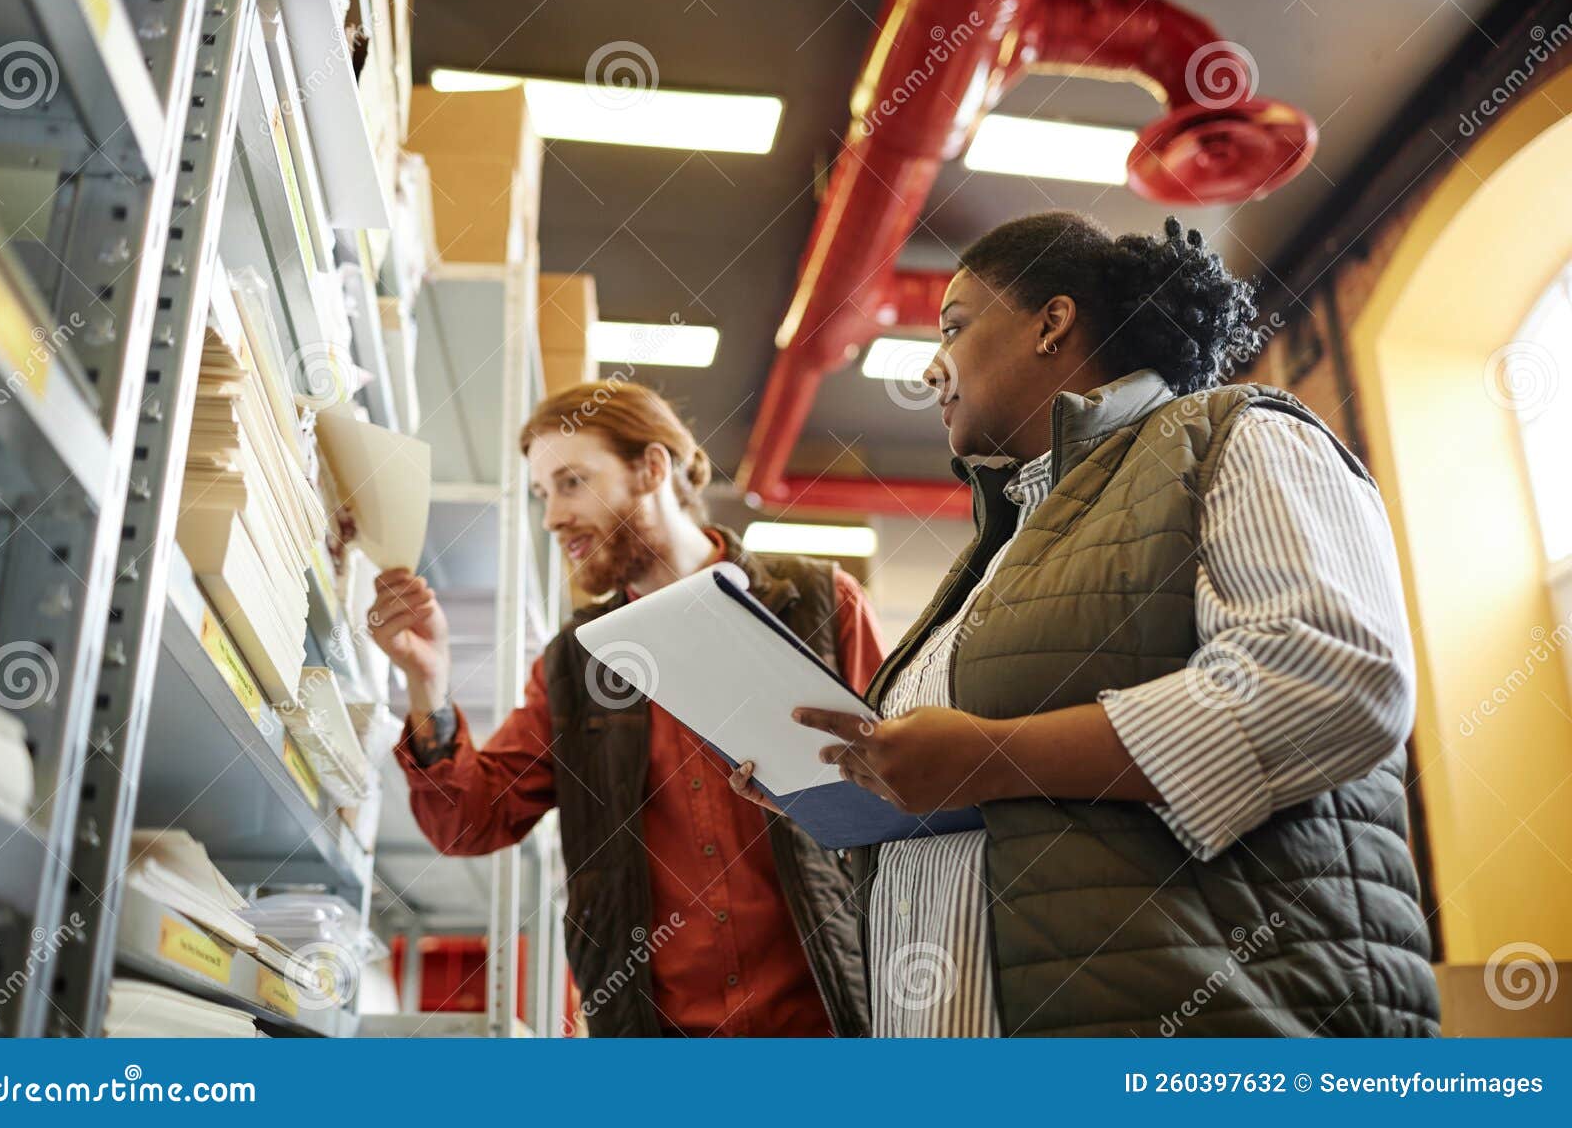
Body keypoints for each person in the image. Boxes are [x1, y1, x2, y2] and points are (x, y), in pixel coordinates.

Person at [733, 212, 1442, 1037]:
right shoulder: (1001, 552)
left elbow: (1331, 685)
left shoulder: (1236, 436)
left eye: (954, 327)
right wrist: (853, 792)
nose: (932, 366)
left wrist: (991, 758)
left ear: (1052, 322)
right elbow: (996, 806)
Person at [370, 380, 878, 1037]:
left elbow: (903, 787)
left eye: (572, 481)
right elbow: (470, 821)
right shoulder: (576, 667)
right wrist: (427, 683)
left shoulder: (819, 605)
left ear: (652, 468)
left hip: (829, 1027)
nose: (552, 516)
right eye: (542, 493)